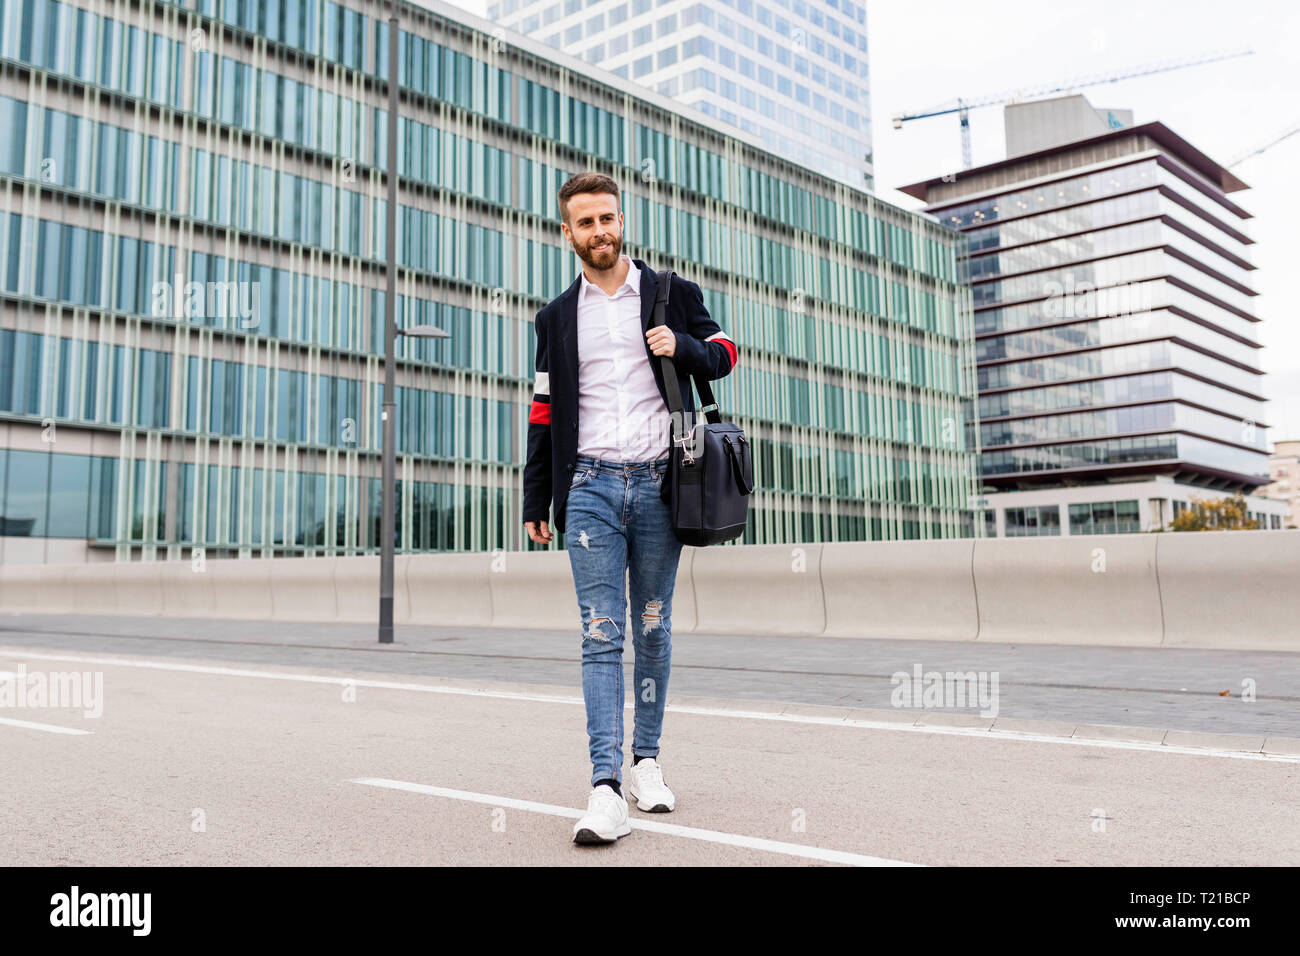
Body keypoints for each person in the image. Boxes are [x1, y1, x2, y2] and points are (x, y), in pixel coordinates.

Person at [521, 172, 738, 844]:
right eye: (585, 223)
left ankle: (648, 760)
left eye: (607, 219)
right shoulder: (555, 317)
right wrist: (536, 495)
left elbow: (728, 354)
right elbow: (543, 409)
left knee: (652, 627)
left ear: (622, 219)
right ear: (568, 233)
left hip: (657, 485)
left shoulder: (671, 293)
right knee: (599, 633)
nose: (599, 232)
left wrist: (686, 347)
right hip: (586, 487)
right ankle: (605, 787)